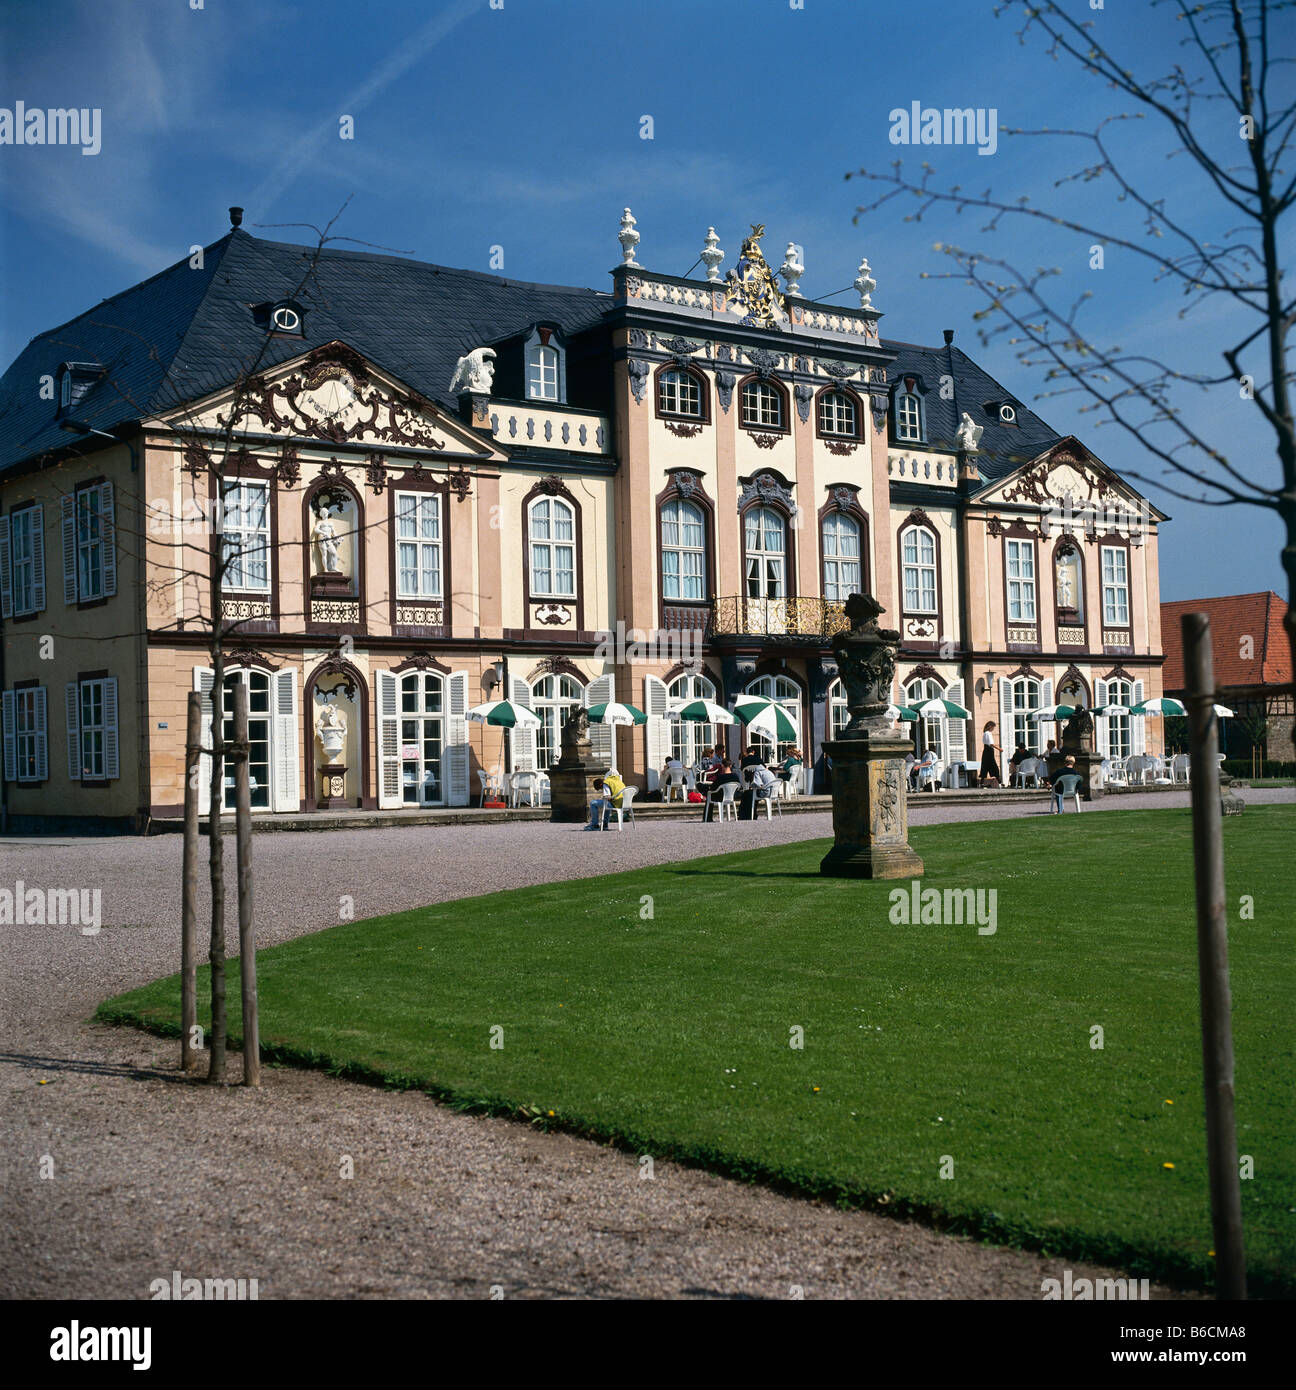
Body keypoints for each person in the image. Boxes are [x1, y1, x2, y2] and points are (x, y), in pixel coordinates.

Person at [980, 721, 1001, 788]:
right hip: (989, 751)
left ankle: (982, 782)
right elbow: (991, 744)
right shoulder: (988, 733)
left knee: (985, 766)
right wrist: (999, 749)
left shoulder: (985, 733)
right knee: (994, 766)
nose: (993, 729)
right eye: (993, 727)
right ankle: (999, 782)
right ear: (990, 727)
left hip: (986, 750)